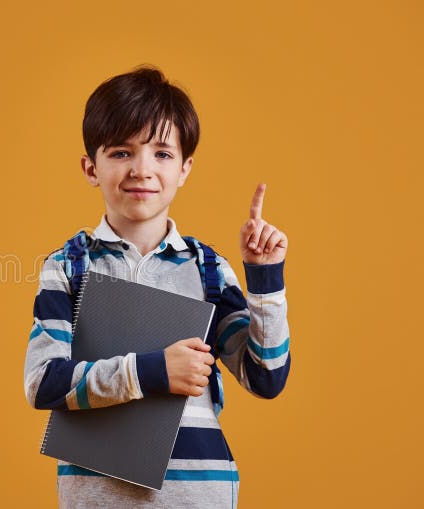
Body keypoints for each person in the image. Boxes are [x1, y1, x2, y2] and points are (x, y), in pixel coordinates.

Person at [23, 64, 291, 508]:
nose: (142, 169)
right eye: (122, 152)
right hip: (98, 498)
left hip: (200, 494)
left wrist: (265, 278)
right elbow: (43, 382)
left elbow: (266, 377)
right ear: (91, 168)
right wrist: (153, 372)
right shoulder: (68, 266)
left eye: (162, 154)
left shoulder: (209, 269)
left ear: (185, 169)